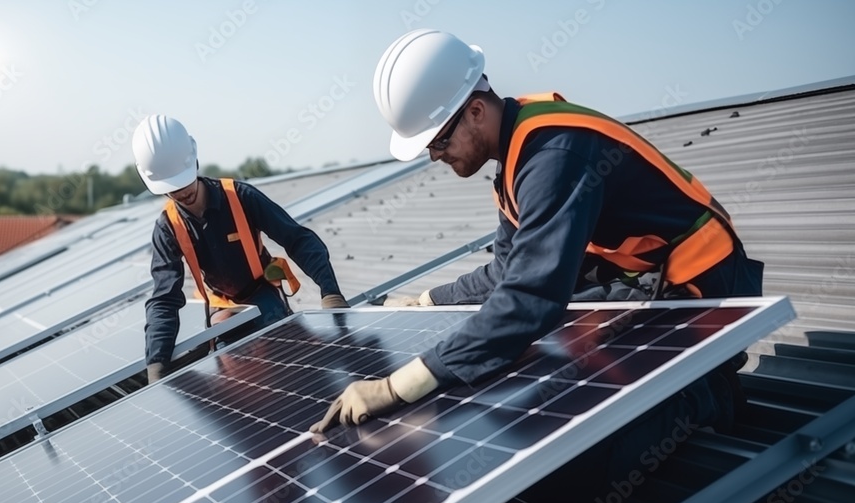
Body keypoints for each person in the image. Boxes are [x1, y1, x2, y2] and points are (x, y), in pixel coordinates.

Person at [311, 28, 762, 435]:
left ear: (474, 111)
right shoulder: (515, 160)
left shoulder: (553, 155)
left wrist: (396, 387)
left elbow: (531, 297)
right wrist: (428, 300)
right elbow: (506, 272)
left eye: (438, 141)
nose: (434, 157)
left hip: (703, 277)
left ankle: (712, 393)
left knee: (632, 414)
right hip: (648, 276)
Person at [133, 115, 349, 383]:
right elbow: (164, 298)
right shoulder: (167, 227)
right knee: (238, 381)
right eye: (172, 188)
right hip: (222, 305)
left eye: (184, 181)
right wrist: (156, 361)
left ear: (195, 161)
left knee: (292, 366)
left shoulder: (240, 196)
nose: (181, 193)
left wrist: (330, 292)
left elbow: (298, 239)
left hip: (262, 293)